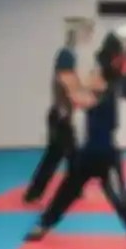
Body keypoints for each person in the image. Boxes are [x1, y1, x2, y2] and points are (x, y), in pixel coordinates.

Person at [25, 39, 126, 249]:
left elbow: (89, 95)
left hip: (107, 155)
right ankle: (43, 225)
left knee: (119, 197)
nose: (93, 78)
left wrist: (74, 84)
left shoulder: (109, 91)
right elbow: (83, 94)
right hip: (88, 154)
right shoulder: (95, 87)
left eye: (97, 77)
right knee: (66, 191)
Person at [23, 31, 83, 204]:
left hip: (58, 118)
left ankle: (36, 193)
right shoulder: (64, 77)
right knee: (59, 157)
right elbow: (73, 97)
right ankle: (34, 193)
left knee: (65, 156)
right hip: (60, 119)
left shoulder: (60, 76)